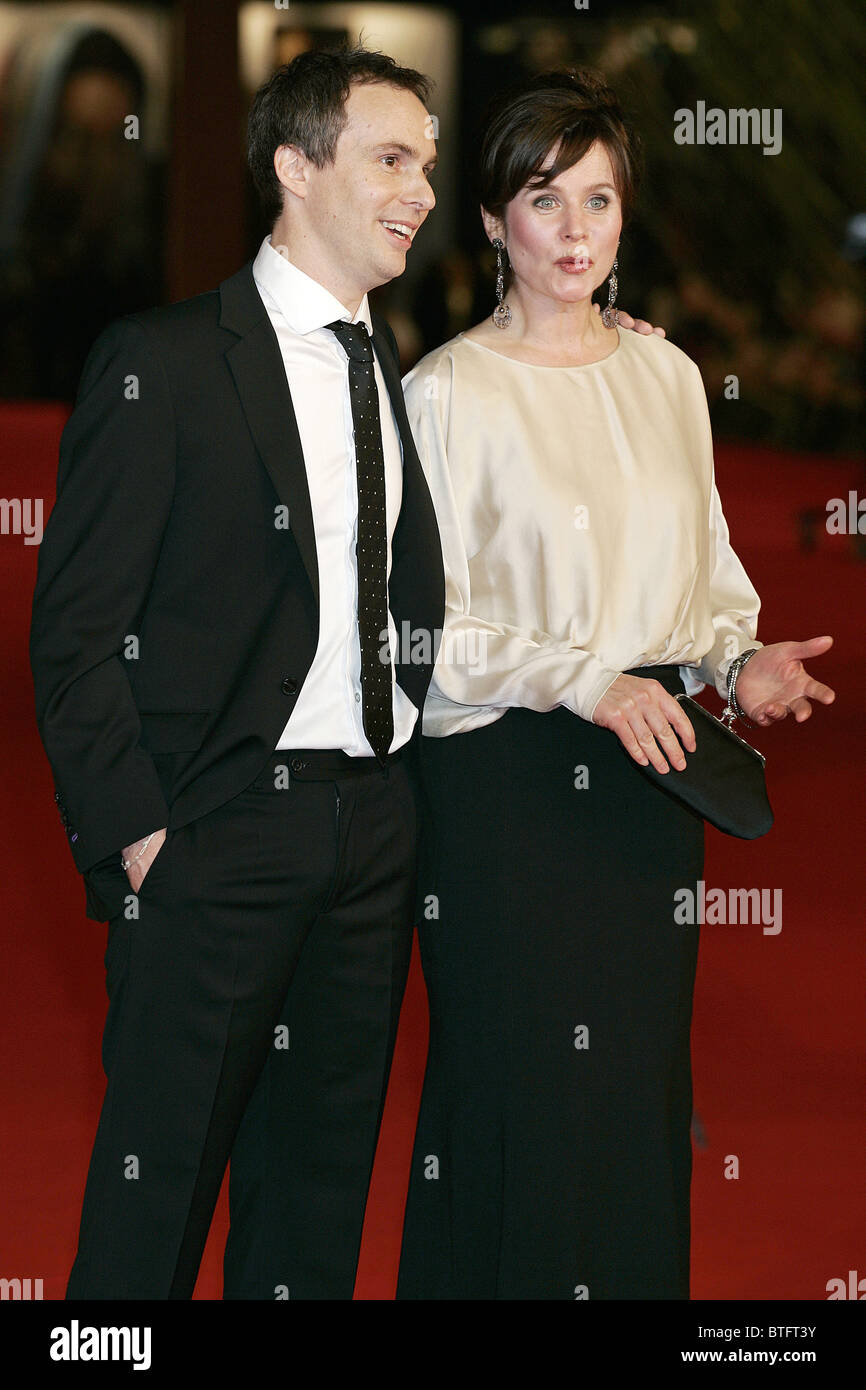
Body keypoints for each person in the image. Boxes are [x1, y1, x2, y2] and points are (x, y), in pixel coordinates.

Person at [395, 69, 835, 1300]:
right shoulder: (442, 396)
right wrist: (580, 676)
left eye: (599, 199)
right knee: (516, 1085)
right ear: (491, 220)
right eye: (546, 199)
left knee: (635, 1091)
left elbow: (700, 567)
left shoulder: (667, 377)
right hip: (502, 784)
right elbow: (421, 636)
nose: (578, 231)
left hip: (648, 783)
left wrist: (733, 660)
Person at [29, 46, 446, 1300]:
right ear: (292, 165)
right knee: (147, 1218)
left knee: (313, 1215)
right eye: (389, 159)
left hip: (370, 835)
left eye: (425, 164)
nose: (419, 191)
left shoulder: (397, 373)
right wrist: (146, 840)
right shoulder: (163, 361)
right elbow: (76, 635)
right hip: (213, 837)